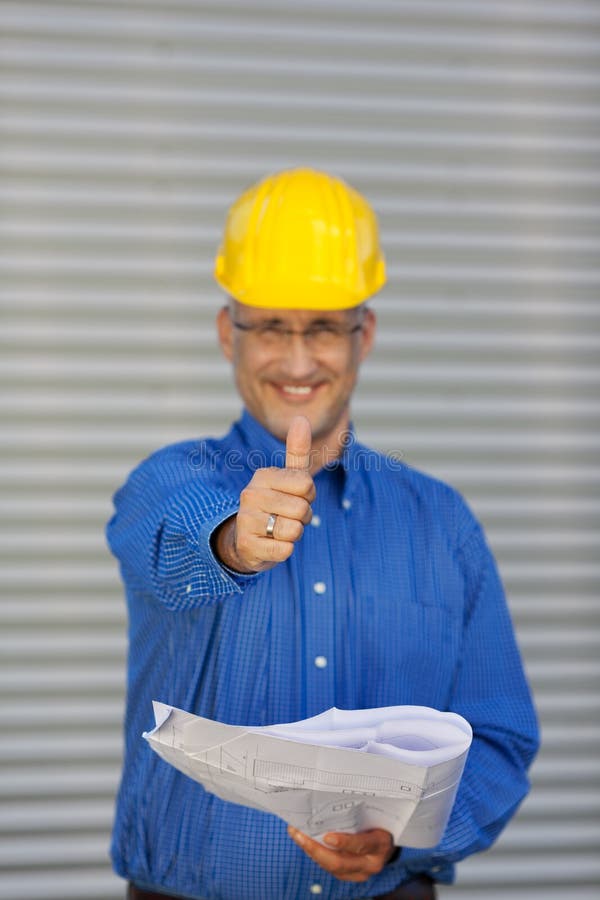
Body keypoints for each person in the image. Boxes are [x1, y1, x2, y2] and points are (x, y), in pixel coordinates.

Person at [106, 168, 539, 900]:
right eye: (272, 326)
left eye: (324, 328)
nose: (299, 361)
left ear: (362, 334)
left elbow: (499, 737)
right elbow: (171, 530)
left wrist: (400, 837)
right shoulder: (172, 480)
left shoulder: (442, 525)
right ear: (227, 333)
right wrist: (234, 543)